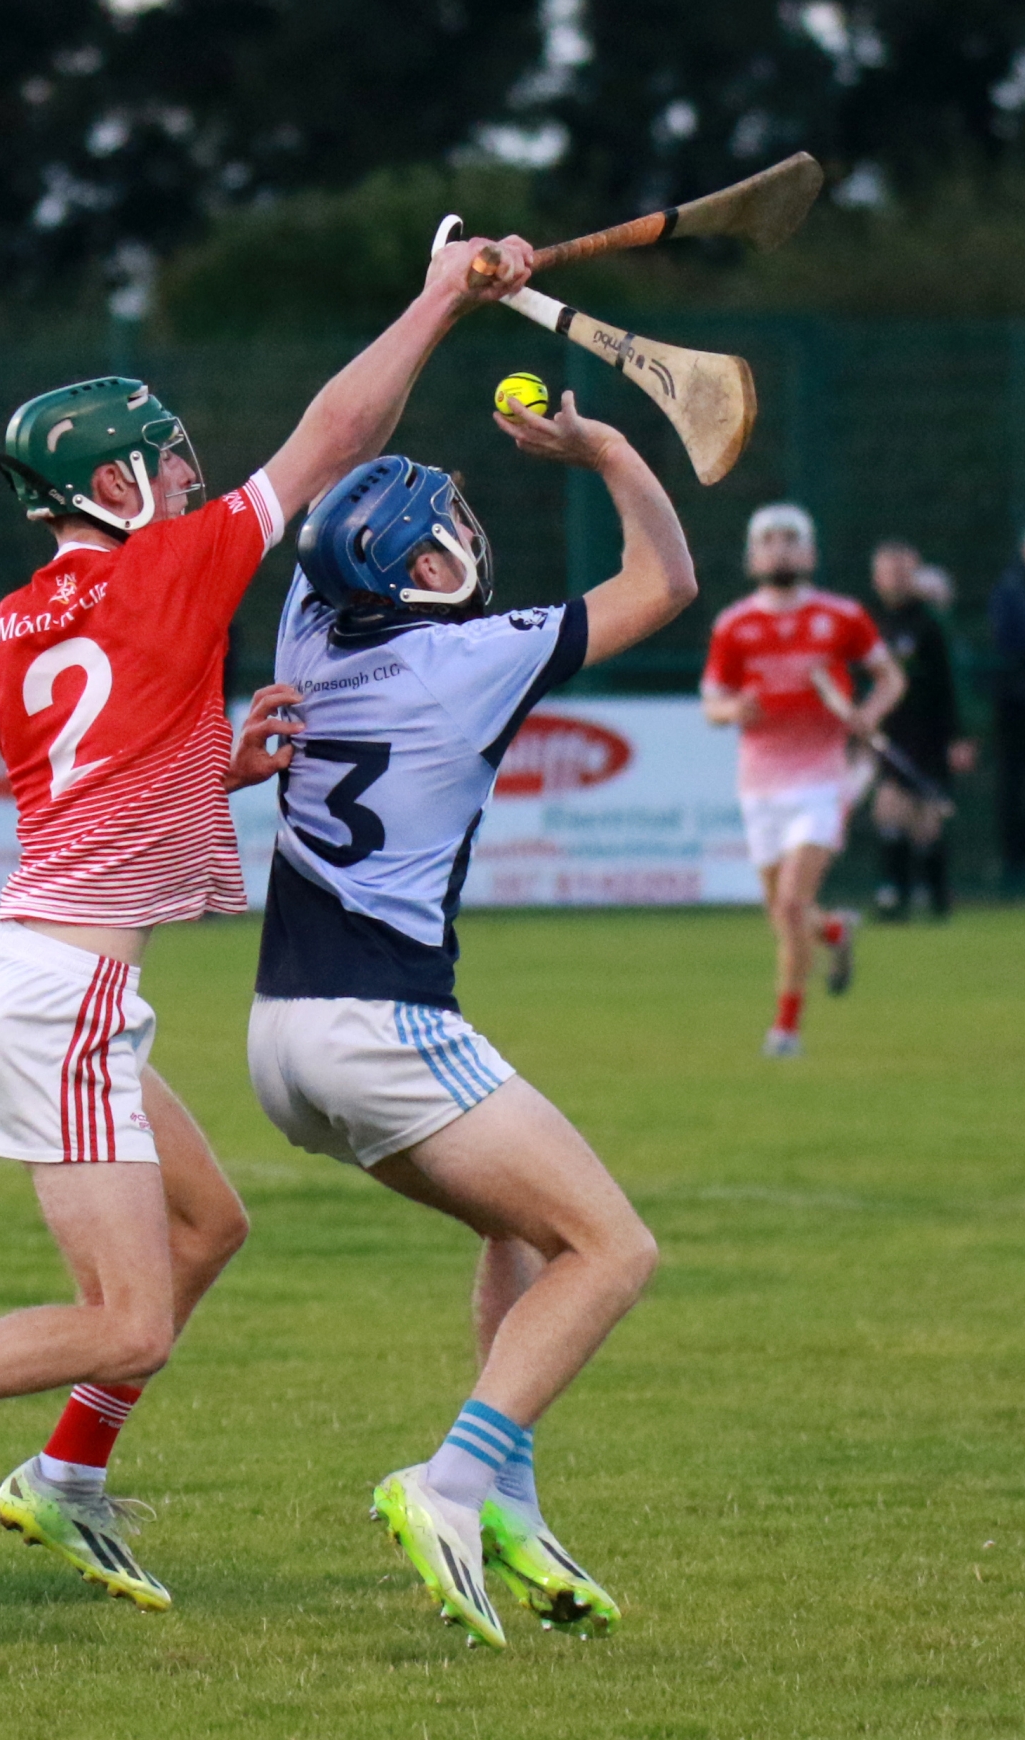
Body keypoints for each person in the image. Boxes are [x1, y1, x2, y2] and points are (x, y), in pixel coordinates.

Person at [0, 230, 536, 1610]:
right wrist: (435, 297)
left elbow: (100, 780)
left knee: (207, 1230)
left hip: (34, 973)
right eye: (170, 461)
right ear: (116, 482)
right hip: (59, 995)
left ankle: (64, 1480)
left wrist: (221, 768)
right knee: (125, 1313)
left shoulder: (6, 627)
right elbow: (336, 432)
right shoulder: (167, 569)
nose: (191, 478)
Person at [228, 387, 695, 1650]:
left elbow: (334, 448)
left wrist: (455, 284)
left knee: (526, 1230)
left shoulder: (308, 629)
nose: (468, 543)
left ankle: (507, 1506)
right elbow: (664, 578)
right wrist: (599, 444)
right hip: (379, 1026)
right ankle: (446, 1481)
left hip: (278, 1039)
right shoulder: (468, 660)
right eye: (449, 533)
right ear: (426, 569)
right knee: (616, 1251)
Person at [702, 505, 905, 1057]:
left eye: (792, 540)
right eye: (769, 540)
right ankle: (836, 931)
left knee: (791, 903)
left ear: (810, 553)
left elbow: (889, 678)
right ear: (752, 556)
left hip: (822, 778)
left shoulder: (841, 616)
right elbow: (712, 702)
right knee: (783, 911)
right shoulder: (734, 624)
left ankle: (786, 1029)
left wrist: (869, 714)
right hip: (759, 782)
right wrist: (734, 709)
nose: (781, 549)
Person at [868, 540, 975, 919]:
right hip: (891, 734)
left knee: (926, 818)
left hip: (930, 733)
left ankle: (935, 895)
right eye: (888, 572)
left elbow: (952, 683)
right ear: (876, 577)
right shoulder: (873, 624)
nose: (895, 580)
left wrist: (960, 737)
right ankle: (895, 893)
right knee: (889, 809)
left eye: (902, 572)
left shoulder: (931, 624)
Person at [989, 528, 1025, 894]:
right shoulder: (1010, 590)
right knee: (1011, 787)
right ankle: (1014, 866)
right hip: (1016, 701)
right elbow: (1009, 639)